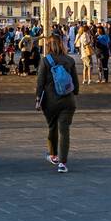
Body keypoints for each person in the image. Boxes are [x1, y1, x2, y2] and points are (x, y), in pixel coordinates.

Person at [36, 33, 80, 173]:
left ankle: (53, 155)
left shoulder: (45, 61)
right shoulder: (69, 60)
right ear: (62, 44)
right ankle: (63, 163)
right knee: (64, 131)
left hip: (50, 102)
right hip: (68, 101)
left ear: (48, 46)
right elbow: (76, 84)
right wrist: (74, 93)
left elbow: (40, 83)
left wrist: (38, 99)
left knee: (52, 127)